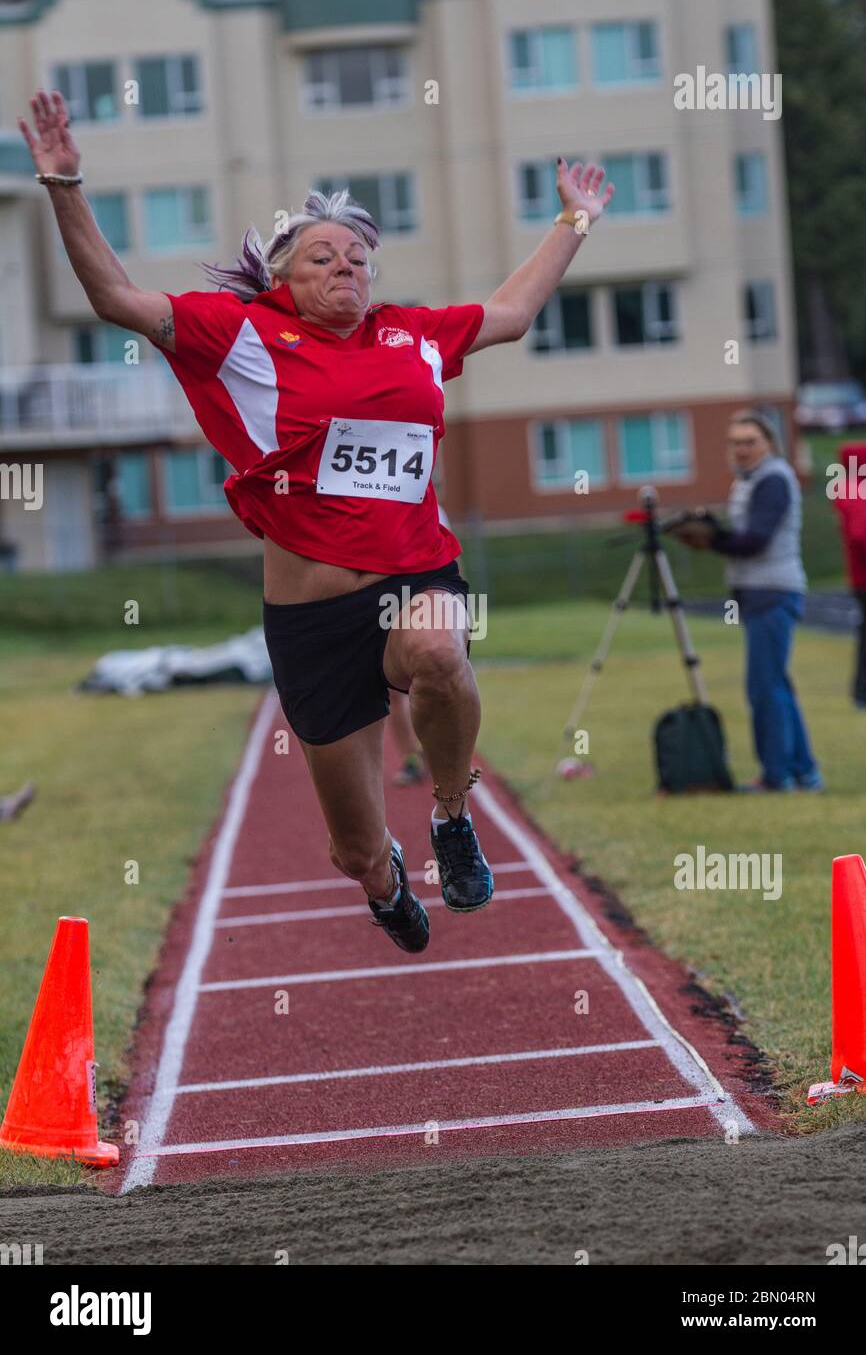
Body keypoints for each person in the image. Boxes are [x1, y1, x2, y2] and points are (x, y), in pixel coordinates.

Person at [21, 90, 614, 951]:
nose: (347, 267)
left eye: (359, 257)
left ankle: (452, 817)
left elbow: (514, 314)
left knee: (442, 655)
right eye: (323, 256)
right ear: (280, 277)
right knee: (354, 847)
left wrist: (576, 218)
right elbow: (114, 296)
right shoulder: (240, 335)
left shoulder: (411, 335)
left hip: (416, 573)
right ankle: (384, 881)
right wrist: (65, 182)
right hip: (311, 615)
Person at [673, 409, 823, 792]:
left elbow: (755, 540)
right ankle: (804, 771)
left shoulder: (773, 478)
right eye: (735, 442)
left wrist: (710, 539)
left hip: (773, 592)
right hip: (757, 593)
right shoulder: (748, 480)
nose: (741, 448)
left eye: (749, 441)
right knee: (776, 685)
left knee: (764, 688)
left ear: (769, 443)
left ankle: (776, 776)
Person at [390, 502, 453, 786]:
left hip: (425, 601)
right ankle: (412, 759)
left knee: (431, 682)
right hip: (387, 602)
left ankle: (436, 754)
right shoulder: (377, 500)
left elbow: (453, 559)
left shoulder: (436, 511)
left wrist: (458, 600)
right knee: (392, 691)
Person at [831, 442, 866, 708]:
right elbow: (860, 534)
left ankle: (860, 691)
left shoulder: (848, 489)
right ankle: (861, 692)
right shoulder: (856, 491)